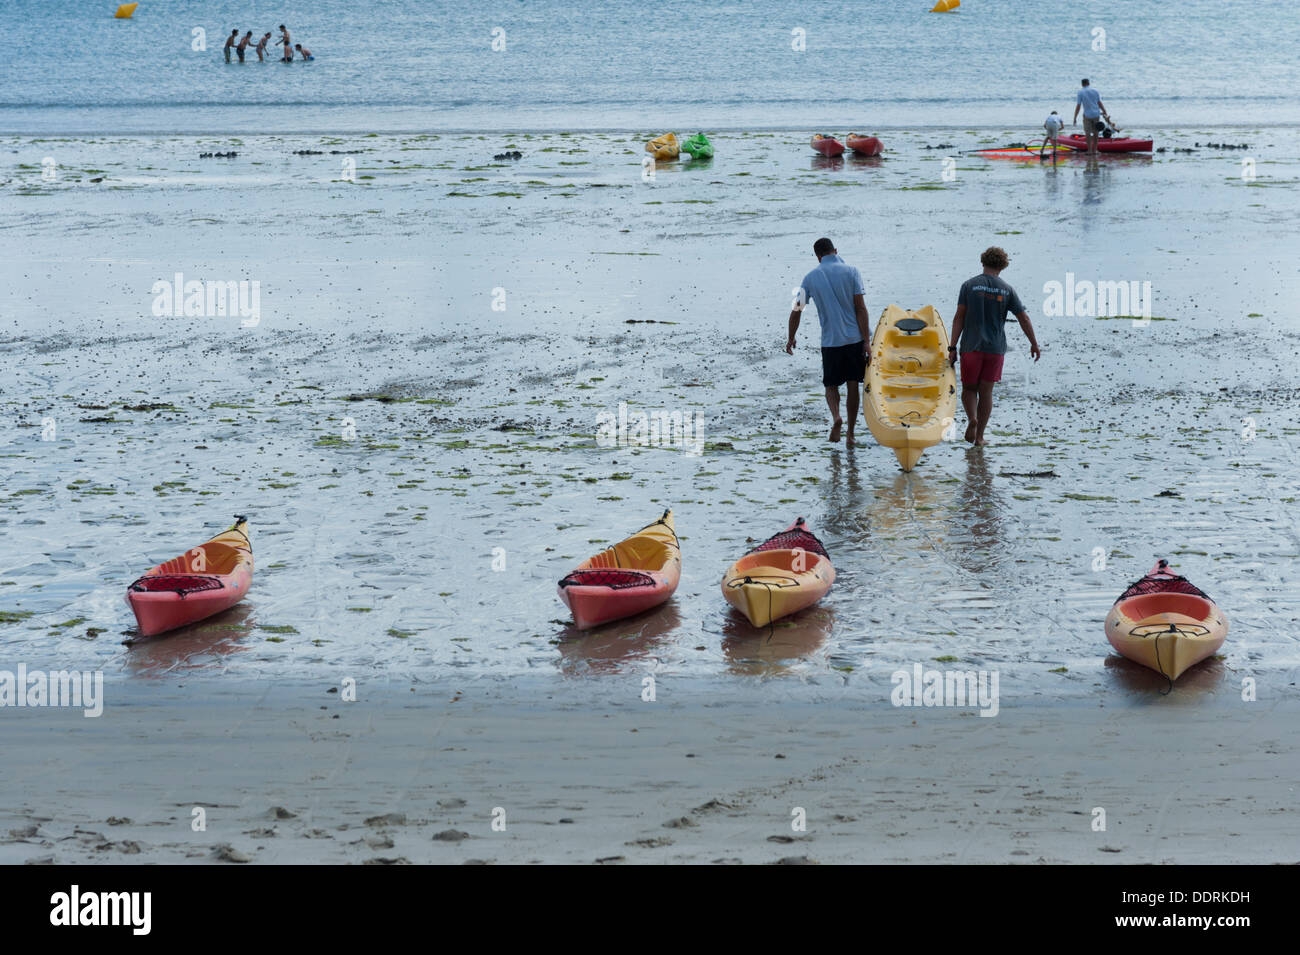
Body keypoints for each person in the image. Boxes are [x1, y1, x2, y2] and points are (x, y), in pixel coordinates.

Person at [949, 247, 1041, 446]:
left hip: (971, 346)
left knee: (969, 388)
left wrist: (952, 347)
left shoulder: (968, 285)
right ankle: (980, 436)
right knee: (987, 391)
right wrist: (1033, 343)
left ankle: (972, 418)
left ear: (983, 262)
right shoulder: (1007, 289)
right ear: (1003, 265)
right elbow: (1023, 318)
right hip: (995, 348)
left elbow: (959, 318)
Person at [785, 238, 872, 448]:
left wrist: (791, 338)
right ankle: (850, 434)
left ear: (818, 256)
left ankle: (836, 417)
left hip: (830, 342)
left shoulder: (811, 277)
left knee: (830, 385)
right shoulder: (852, 271)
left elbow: (796, 311)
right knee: (853, 385)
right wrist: (867, 342)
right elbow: (860, 308)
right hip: (854, 339)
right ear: (835, 250)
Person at [1072, 78, 1107, 155]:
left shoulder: (1080, 92)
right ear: (1089, 83)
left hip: (1087, 115)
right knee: (1096, 132)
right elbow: (1099, 102)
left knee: (1087, 133)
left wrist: (1075, 117)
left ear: (1082, 84)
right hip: (1096, 114)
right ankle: (1095, 150)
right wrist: (1104, 111)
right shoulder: (1095, 91)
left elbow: (1078, 106)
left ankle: (1090, 150)